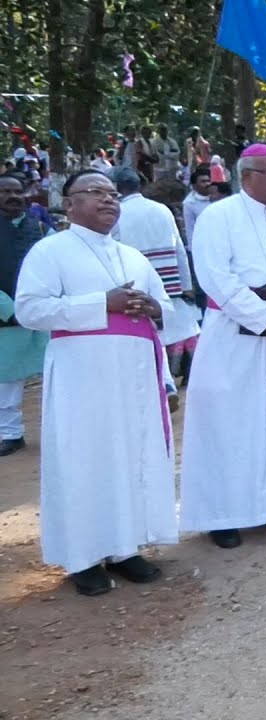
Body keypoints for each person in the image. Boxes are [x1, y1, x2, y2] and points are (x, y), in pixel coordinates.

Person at [15, 170, 176, 596]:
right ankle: (82, 556)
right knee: (84, 458)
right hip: (81, 372)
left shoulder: (133, 256)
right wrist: (102, 303)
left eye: (112, 194)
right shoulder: (49, 251)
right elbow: (30, 310)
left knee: (129, 455)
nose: (108, 200)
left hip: (135, 371)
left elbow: (165, 310)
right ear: (68, 204)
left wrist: (153, 307)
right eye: (95, 193)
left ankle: (125, 547)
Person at [180, 143, 266, 549]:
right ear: (246, 176)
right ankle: (224, 513)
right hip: (233, 339)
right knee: (231, 424)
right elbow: (214, 277)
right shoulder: (217, 217)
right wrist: (264, 317)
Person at [112, 168, 201, 393]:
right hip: (170, 278)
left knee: (151, 333)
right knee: (179, 326)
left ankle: (164, 380)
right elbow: (179, 247)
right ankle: (182, 375)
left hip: (136, 280)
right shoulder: (162, 210)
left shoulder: (118, 213)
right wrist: (186, 284)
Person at [0, 173, 47, 456]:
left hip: (42, 316)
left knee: (55, 374)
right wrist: (10, 310)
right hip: (6, 320)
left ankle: (62, 432)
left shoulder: (41, 229)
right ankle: (10, 433)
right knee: (6, 381)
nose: (12, 196)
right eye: (5, 191)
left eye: (16, 191)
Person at [182, 166, 213, 243]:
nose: (207, 184)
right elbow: (190, 229)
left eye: (208, 181)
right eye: (203, 181)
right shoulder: (190, 204)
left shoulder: (218, 197)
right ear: (194, 186)